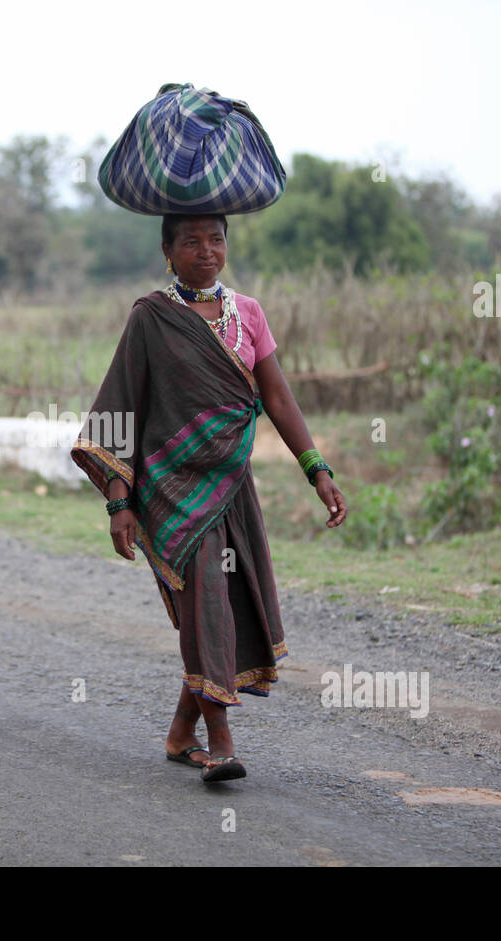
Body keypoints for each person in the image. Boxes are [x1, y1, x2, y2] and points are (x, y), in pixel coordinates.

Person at [72, 214, 347, 781]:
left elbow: (278, 397)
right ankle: (220, 740)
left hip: (231, 490)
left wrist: (316, 469)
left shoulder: (248, 314)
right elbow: (120, 408)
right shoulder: (150, 318)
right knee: (206, 605)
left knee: (217, 607)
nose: (206, 251)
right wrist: (119, 502)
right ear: (167, 251)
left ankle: (180, 734)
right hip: (171, 491)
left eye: (215, 239)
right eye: (191, 241)